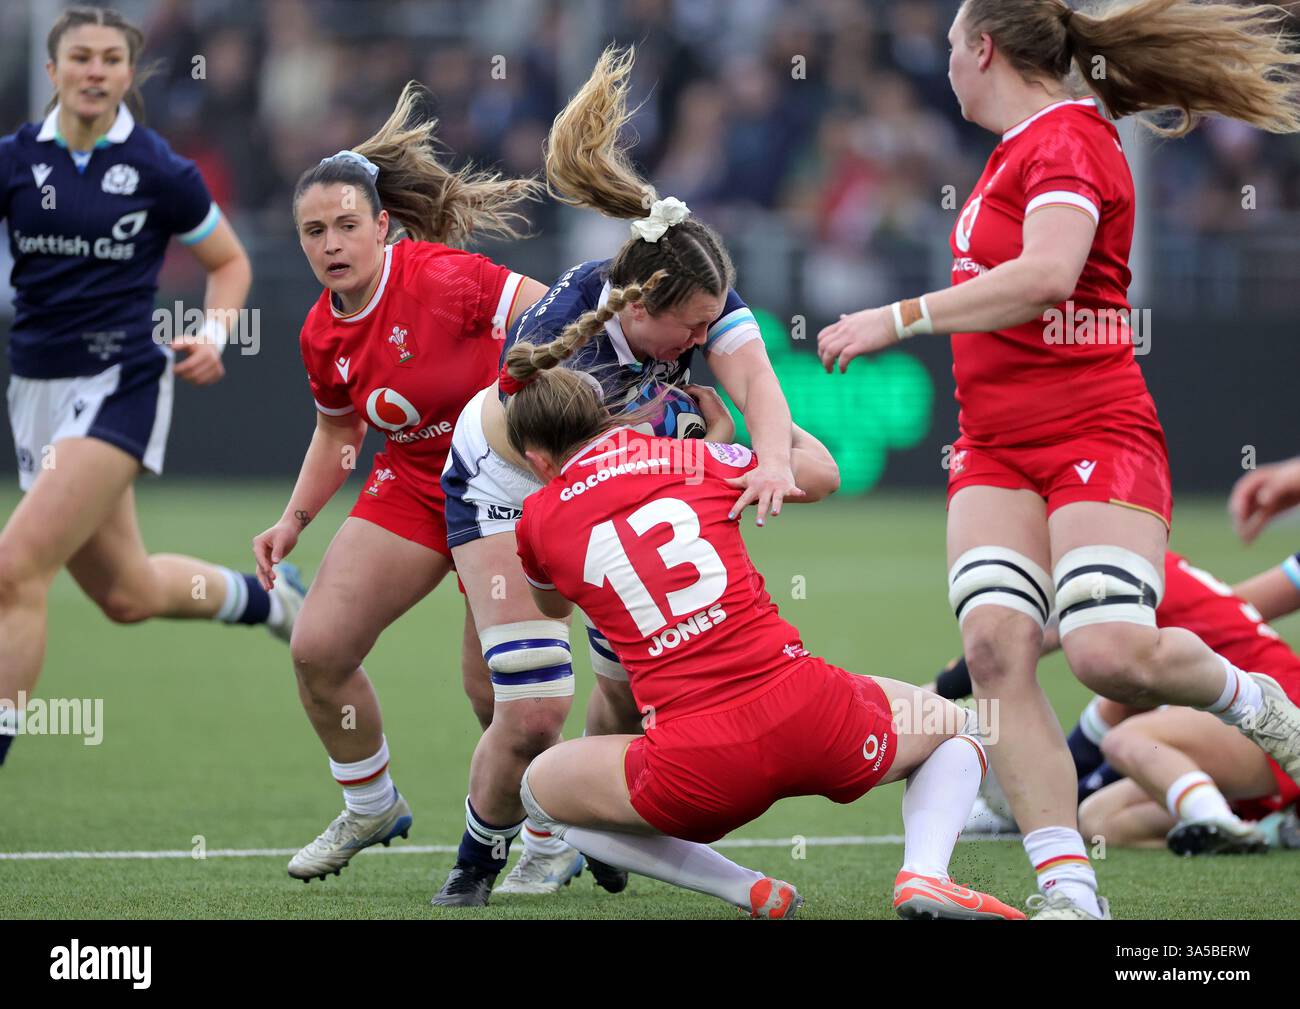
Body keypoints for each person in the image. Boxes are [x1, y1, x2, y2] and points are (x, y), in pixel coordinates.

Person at [817, 0, 1300, 918]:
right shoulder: (1015, 151)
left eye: (952, 45)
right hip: (994, 445)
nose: (946, 62)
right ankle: (1070, 890)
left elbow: (1046, 275)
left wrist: (898, 316)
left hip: (1093, 432)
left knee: (1110, 654)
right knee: (996, 651)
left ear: (985, 49)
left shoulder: (1068, 138)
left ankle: (1262, 705)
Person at [433, 46, 818, 905]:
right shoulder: (559, 333)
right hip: (512, 485)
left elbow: (757, 384)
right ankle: (475, 855)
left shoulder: (697, 295)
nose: (699, 343)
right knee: (534, 704)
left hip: (610, 481)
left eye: (709, 325)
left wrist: (771, 457)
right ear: (635, 307)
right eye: (687, 331)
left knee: (625, 691)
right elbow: (554, 460)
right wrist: (689, 432)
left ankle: (568, 833)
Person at [505, 363, 1024, 920]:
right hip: (810, 714)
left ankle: (746, 889)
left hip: (695, 768)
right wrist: (760, 419)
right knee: (958, 729)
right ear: (605, 415)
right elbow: (822, 475)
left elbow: (554, 605)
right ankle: (925, 875)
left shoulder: (536, 518)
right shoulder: (692, 459)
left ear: (537, 459)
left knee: (539, 792)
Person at [252, 83, 549, 881]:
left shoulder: (442, 277)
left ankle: (551, 834)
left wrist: (538, 420)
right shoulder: (322, 331)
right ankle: (370, 803)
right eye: (314, 231)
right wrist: (294, 520)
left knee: (498, 698)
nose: (331, 243)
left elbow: (554, 315)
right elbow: (339, 432)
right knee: (318, 648)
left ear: (382, 225)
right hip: (416, 484)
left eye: (347, 224)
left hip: (506, 485)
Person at [0, 6, 303, 768]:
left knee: (13, 570)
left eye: (110, 58)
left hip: (120, 383)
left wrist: (211, 334)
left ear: (128, 75)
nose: (95, 71)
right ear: (53, 72)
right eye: (80, 57)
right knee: (126, 593)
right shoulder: (13, 161)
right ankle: (271, 600)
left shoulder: (159, 169)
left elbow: (228, 264)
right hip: (34, 388)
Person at [930, 553, 1300, 854]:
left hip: (1278, 706)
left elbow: (1013, 643)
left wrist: (931, 695)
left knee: (1127, 740)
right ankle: (1264, 830)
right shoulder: (1134, 617)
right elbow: (1114, 706)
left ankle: (1220, 823)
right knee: (1099, 819)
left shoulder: (1114, 572)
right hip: (1234, 731)